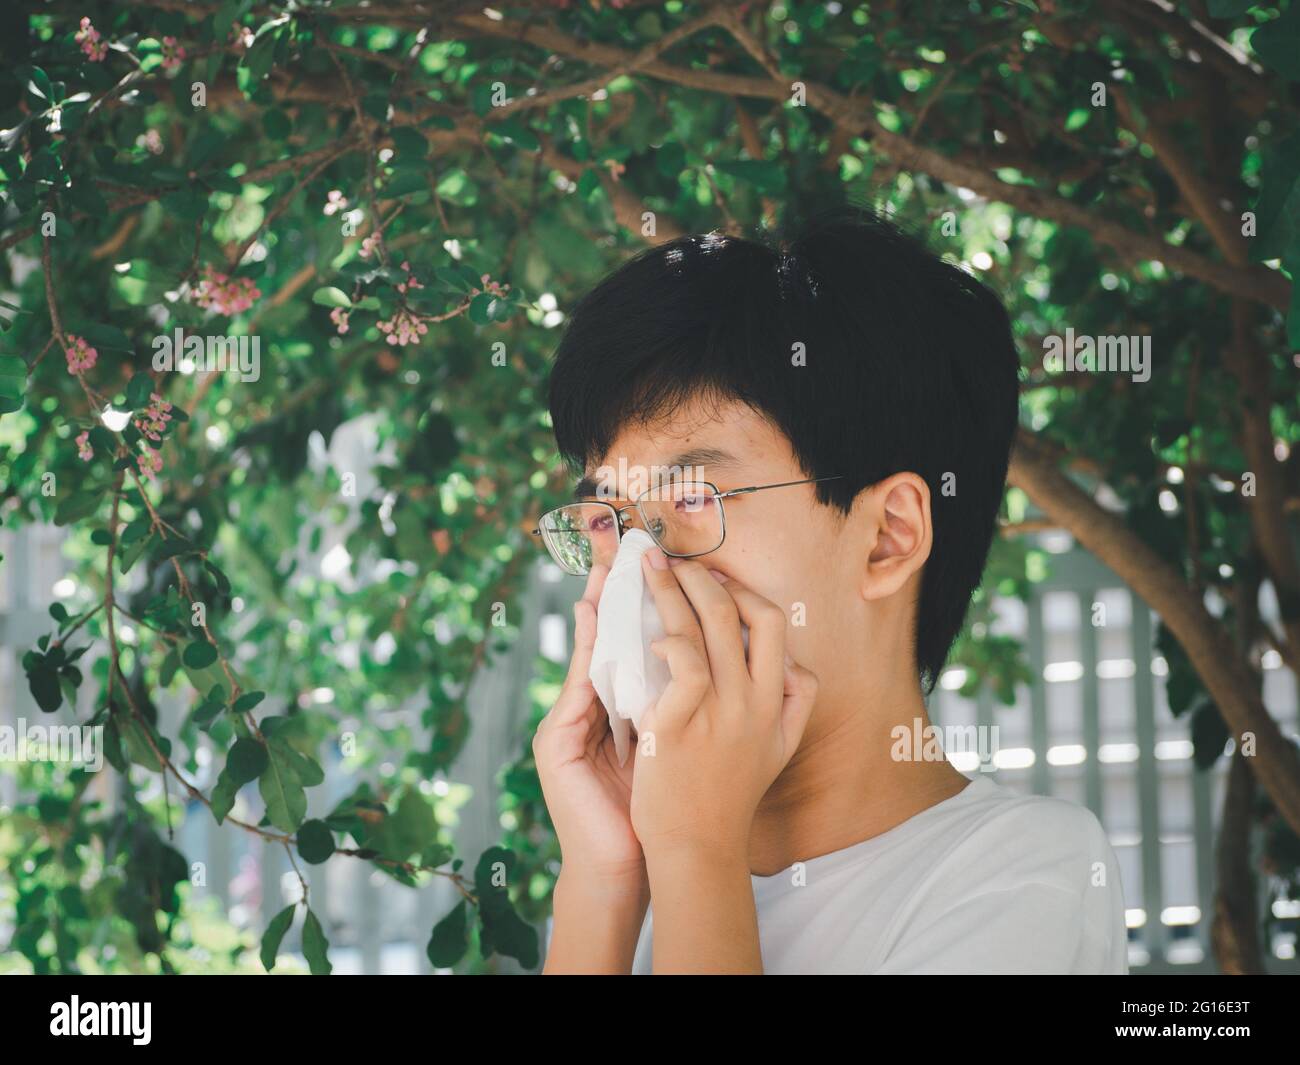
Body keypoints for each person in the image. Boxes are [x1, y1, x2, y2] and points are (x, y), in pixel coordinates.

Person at [531, 208, 1128, 974]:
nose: (639, 563)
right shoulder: (655, 883)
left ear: (887, 537)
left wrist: (695, 849)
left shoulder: (1025, 871)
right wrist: (602, 883)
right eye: (609, 514)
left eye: (690, 497)